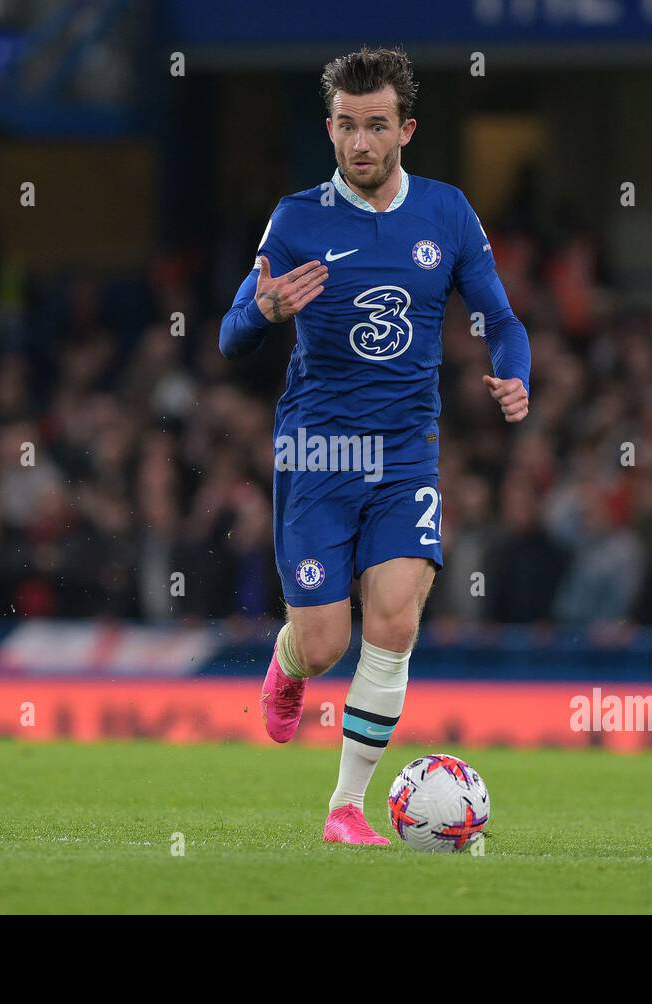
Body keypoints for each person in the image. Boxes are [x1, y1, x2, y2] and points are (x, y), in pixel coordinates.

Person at [219, 47, 530, 845]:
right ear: (330, 130)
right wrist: (267, 310)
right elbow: (229, 335)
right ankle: (289, 662)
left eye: (377, 126)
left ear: (406, 130)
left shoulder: (447, 213)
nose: (361, 142)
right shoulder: (296, 219)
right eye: (347, 127)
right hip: (319, 455)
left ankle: (344, 809)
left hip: (404, 455)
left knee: (394, 622)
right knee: (326, 642)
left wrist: (512, 373)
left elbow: (500, 315)